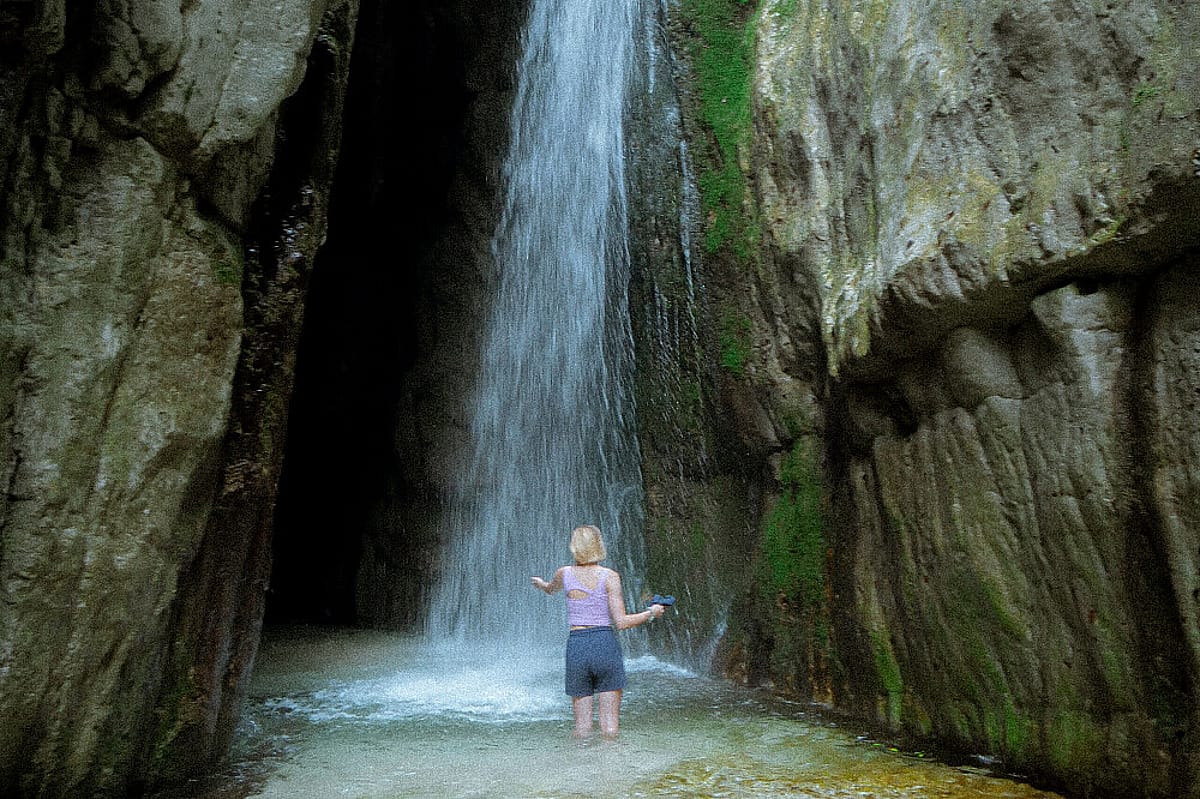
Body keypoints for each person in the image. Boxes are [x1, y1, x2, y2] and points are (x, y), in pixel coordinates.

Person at [531, 524, 665, 739]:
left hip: (577, 647)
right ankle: (610, 769)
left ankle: (579, 770)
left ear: (574, 547)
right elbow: (621, 622)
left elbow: (550, 589)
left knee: (582, 728)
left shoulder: (563, 574)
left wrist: (541, 584)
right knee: (610, 728)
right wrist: (651, 613)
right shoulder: (610, 576)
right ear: (598, 546)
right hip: (604, 645)